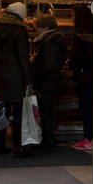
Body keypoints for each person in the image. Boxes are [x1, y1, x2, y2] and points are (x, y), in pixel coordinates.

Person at [0, 0, 30, 156]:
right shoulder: (20, 30)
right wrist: (28, 78)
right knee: (17, 111)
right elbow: (23, 57)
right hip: (16, 75)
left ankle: (0, 144)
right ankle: (17, 146)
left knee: (1, 110)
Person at [30, 14, 67, 152]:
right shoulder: (54, 40)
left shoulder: (50, 43)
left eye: (37, 28)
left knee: (45, 111)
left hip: (47, 81)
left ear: (45, 27)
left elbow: (48, 64)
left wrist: (37, 75)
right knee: (47, 110)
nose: (36, 31)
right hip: (51, 80)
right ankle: (48, 138)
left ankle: (48, 140)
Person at [69, 5, 93, 149]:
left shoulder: (81, 36)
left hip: (85, 77)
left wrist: (72, 61)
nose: (71, 19)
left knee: (86, 108)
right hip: (89, 77)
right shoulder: (91, 33)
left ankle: (89, 138)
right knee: (88, 108)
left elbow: (81, 57)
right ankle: (89, 137)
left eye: (73, 16)